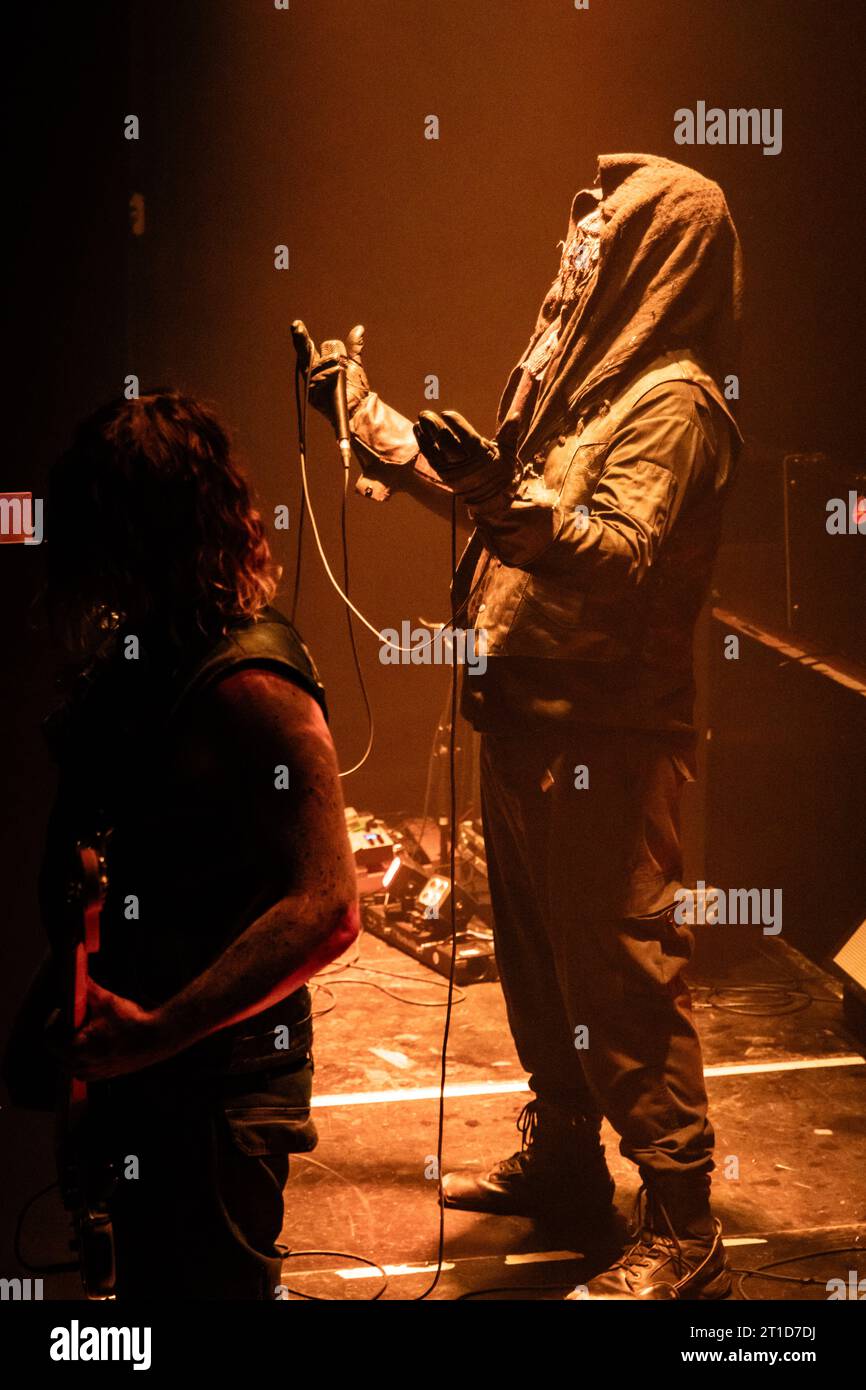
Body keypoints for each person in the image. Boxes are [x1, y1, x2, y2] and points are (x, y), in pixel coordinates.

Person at [301, 153, 743, 1300]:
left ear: (656, 258)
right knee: (543, 969)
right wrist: (366, 414)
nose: (574, 263)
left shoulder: (675, 404)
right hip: (529, 723)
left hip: (608, 736)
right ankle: (562, 1163)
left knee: (620, 969)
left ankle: (684, 1224)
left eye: (601, 245)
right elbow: (488, 494)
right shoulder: (589, 389)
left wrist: (507, 497)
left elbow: (613, 552)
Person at [9, 391, 359, 1299]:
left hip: (217, 1092)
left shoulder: (254, 685)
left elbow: (327, 907)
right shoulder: (152, 647)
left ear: (136, 533)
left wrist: (159, 1033)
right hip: (146, 1076)